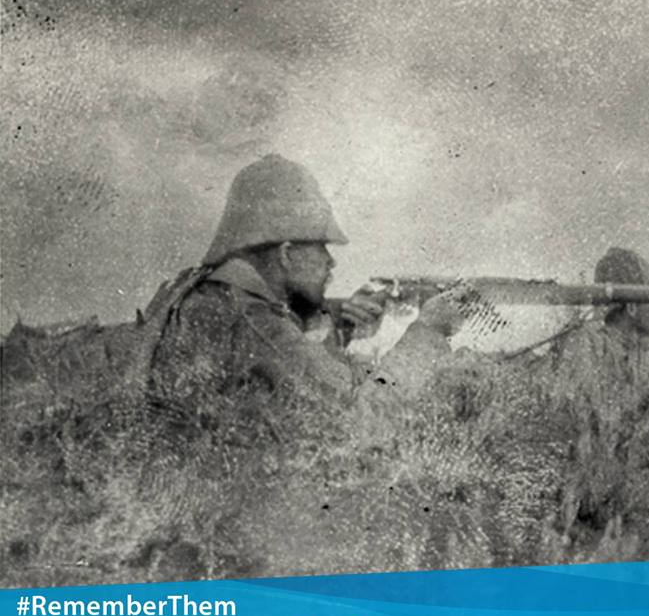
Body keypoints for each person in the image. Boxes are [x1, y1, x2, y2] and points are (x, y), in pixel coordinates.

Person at [145, 154, 464, 438]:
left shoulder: (206, 295)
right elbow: (364, 424)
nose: (331, 261)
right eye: (320, 247)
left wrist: (340, 322)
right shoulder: (255, 325)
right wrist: (430, 332)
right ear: (286, 254)